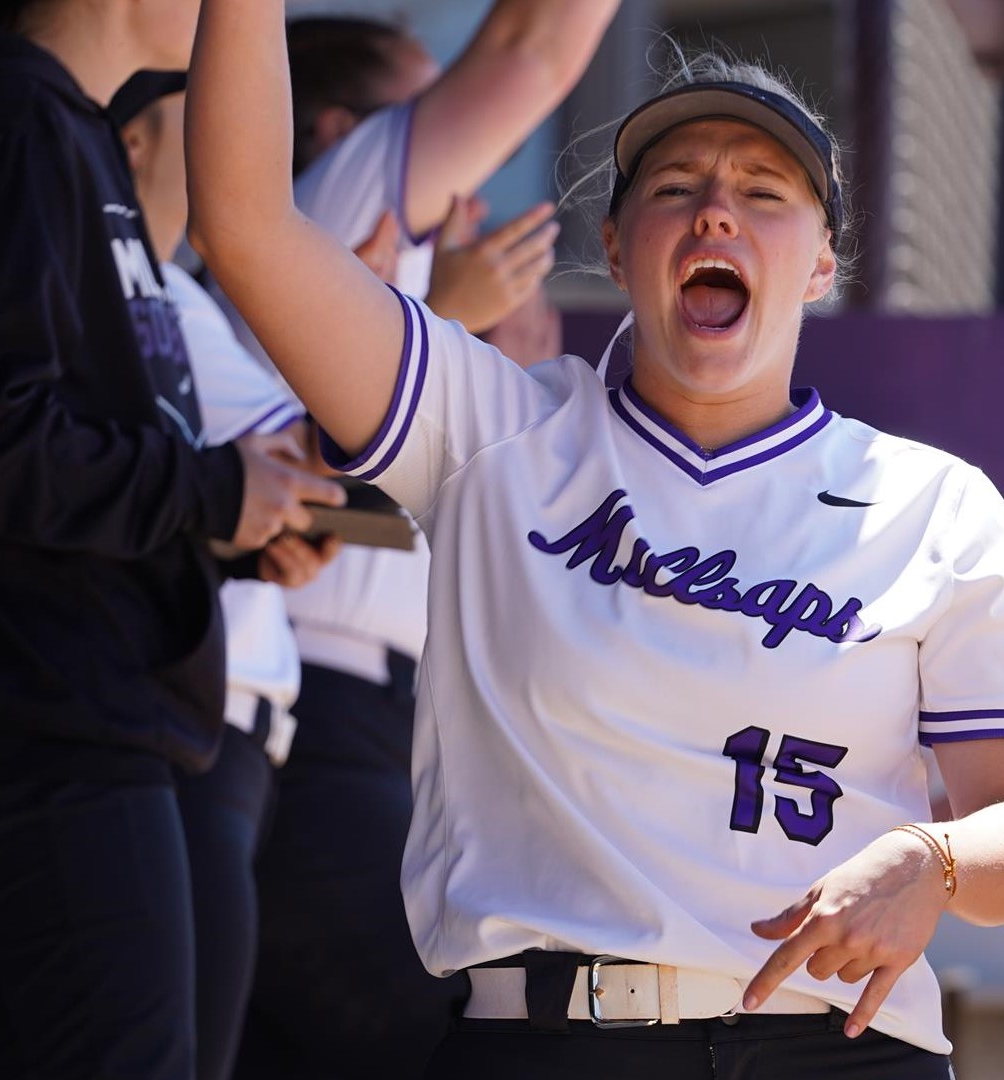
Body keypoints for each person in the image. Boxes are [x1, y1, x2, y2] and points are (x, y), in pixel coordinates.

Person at [188, 6, 1004, 1075]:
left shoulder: (934, 503)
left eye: (763, 194)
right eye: (675, 190)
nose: (717, 215)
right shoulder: (491, 435)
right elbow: (244, 222)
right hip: (549, 1041)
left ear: (818, 265)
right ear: (614, 249)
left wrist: (929, 860)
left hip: (842, 1047)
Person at [0, 0, 342, 1074]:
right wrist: (204, 492)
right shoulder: (8, 123)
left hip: (71, 708)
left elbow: (44, 436)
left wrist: (232, 525)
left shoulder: (60, 128)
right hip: (47, 714)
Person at [200, 9, 618, 1077]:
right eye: (425, 109)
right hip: (320, 714)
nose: (469, 179)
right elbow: (530, 52)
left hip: (389, 728)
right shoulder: (331, 199)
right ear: (339, 129)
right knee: (466, 1042)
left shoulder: (409, 275)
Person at [109, 70, 343, 1080]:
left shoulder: (177, 291)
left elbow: (263, 483)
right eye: (195, 109)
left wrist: (248, 530)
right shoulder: (124, 282)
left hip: (223, 727)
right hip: (173, 727)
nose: (229, 135)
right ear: (134, 145)